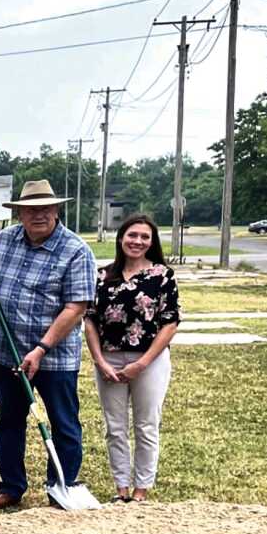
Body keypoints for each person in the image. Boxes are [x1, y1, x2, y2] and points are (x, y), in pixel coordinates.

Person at [0, 179, 97, 508]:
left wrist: (41, 348)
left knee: (63, 424)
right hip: (8, 353)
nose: (38, 215)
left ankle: (61, 487)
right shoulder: (7, 238)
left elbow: (76, 308)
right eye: (30, 210)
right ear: (20, 214)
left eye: (45, 208)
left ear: (56, 210)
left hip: (54, 358)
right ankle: (11, 487)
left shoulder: (76, 250)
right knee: (9, 422)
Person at [83, 213, 180, 503]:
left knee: (146, 425)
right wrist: (99, 361)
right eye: (132, 235)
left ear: (152, 242)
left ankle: (141, 490)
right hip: (109, 359)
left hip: (149, 360)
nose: (137, 241)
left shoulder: (162, 276)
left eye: (144, 237)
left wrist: (142, 363)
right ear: (121, 238)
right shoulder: (102, 276)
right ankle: (121, 488)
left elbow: (170, 323)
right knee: (115, 427)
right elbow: (90, 320)